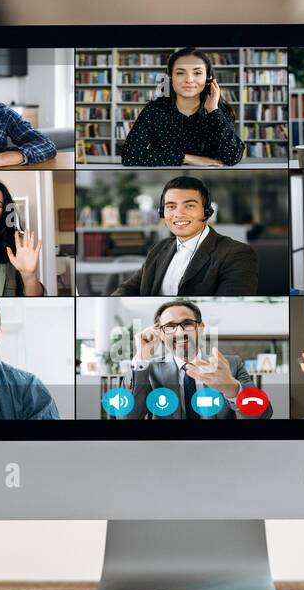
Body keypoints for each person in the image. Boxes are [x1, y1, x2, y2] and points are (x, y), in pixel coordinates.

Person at [119, 300, 270, 420]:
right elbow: (126, 417)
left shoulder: (231, 365)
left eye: (187, 324)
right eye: (170, 326)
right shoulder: (148, 370)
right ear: (161, 333)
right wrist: (141, 358)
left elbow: (263, 415)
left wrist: (232, 388)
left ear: (201, 327)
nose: (179, 333)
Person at [111, 176, 258, 296]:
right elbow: (129, 288)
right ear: (163, 213)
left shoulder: (236, 253)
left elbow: (230, 309)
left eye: (189, 205)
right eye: (171, 207)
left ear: (207, 212)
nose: (178, 214)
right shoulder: (159, 248)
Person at [119, 47, 245, 167]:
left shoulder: (219, 111)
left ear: (208, 78)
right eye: (180, 73)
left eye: (197, 73)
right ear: (170, 78)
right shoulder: (154, 110)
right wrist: (188, 159)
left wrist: (213, 111)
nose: (189, 80)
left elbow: (233, 157)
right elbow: (130, 155)